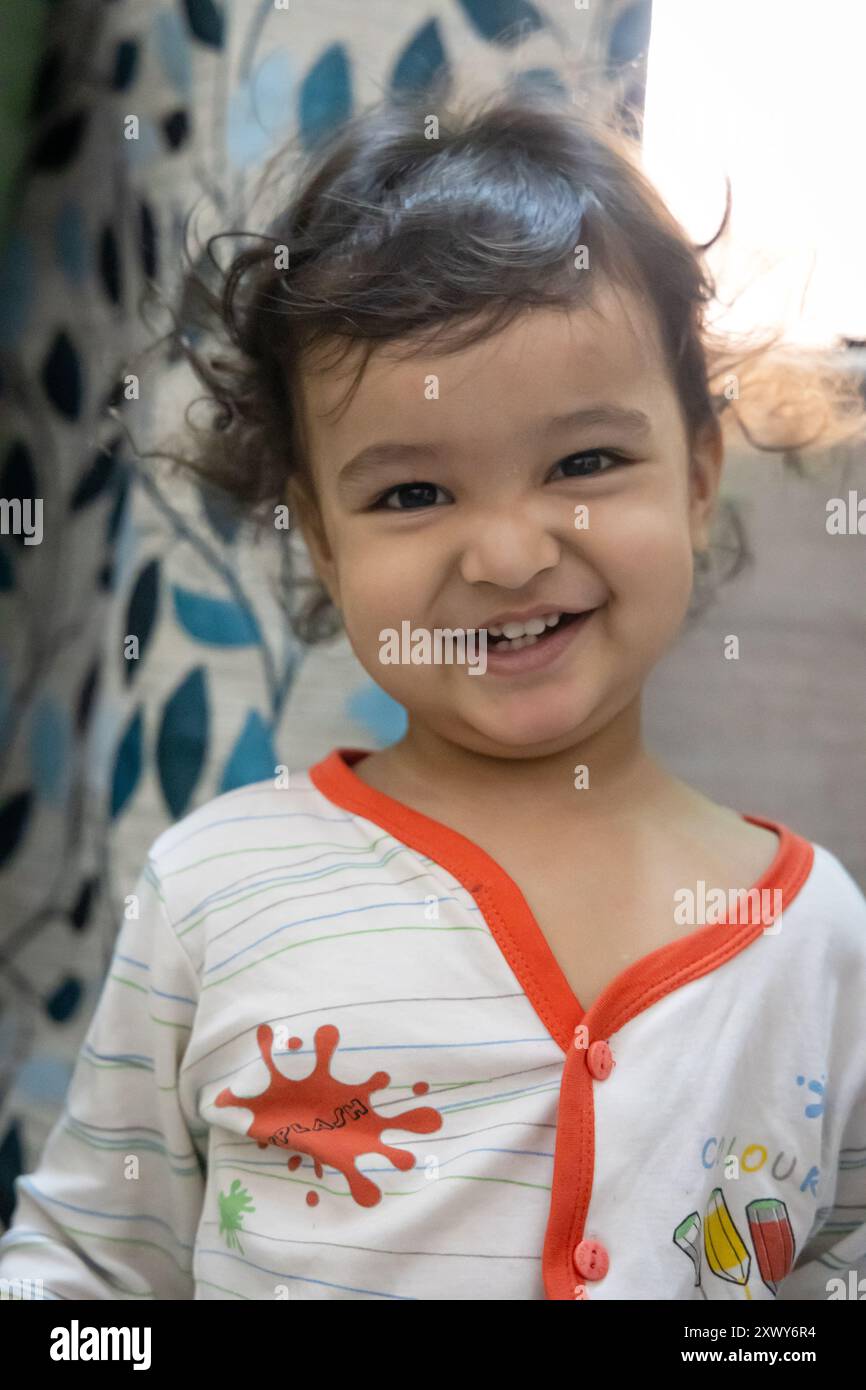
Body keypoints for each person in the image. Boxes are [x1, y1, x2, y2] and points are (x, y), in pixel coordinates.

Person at [2, 85, 865, 1302]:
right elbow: (87, 1266)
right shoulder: (214, 891)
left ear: (693, 478)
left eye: (583, 462)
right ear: (319, 536)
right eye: (410, 494)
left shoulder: (813, 934)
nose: (507, 554)